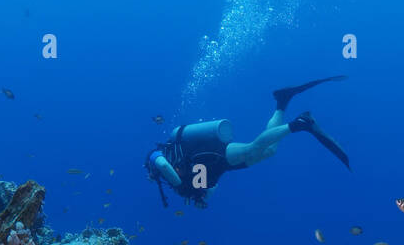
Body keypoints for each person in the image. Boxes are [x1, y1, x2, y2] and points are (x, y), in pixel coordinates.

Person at [146, 76, 350, 207]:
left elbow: (164, 165)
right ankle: (282, 101)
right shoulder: (171, 174)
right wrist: (201, 197)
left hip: (213, 154)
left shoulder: (154, 158)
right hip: (217, 166)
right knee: (270, 151)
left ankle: (300, 124)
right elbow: (206, 184)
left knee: (253, 147)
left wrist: (178, 183)